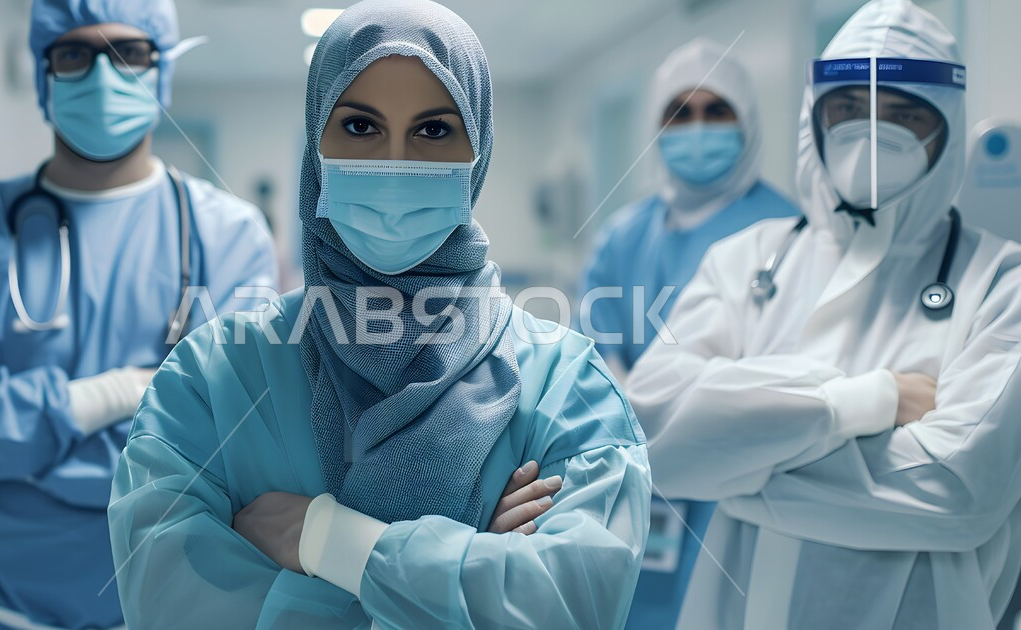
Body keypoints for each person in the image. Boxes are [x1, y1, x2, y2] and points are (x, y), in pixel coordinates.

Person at [107, 1, 651, 628]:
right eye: (361, 127)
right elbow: (166, 600)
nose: (397, 162)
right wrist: (473, 569)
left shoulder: (566, 384)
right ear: (316, 145)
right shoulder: (214, 376)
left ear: (479, 150)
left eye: (434, 130)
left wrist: (325, 540)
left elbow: (570, 605)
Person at [0, 0, 278, 627]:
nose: (101, 76)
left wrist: (11, 428)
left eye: (129, 53)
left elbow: (227, 442)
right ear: (43, 73)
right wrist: (124, 393)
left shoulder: (228, 237)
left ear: (162, 70)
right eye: (74, 55)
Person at [626, 1, 1021, 628]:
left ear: (945, 124)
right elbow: (649, 430)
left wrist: (738, 463)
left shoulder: (1003, 281)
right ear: (815, 116)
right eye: (848, 109)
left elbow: (959, 494)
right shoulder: (744, 258)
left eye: (903, 114)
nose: (870, 132)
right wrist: (866, 403)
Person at [580, 39, 798, 630]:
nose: (696, 128)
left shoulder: (789, 232)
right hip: (631, 473)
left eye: (716, 111)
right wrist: (622, 397)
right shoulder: (625, 234)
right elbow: (591, 342)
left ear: (746, 122)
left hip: (739, 480)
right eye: (680, 113)